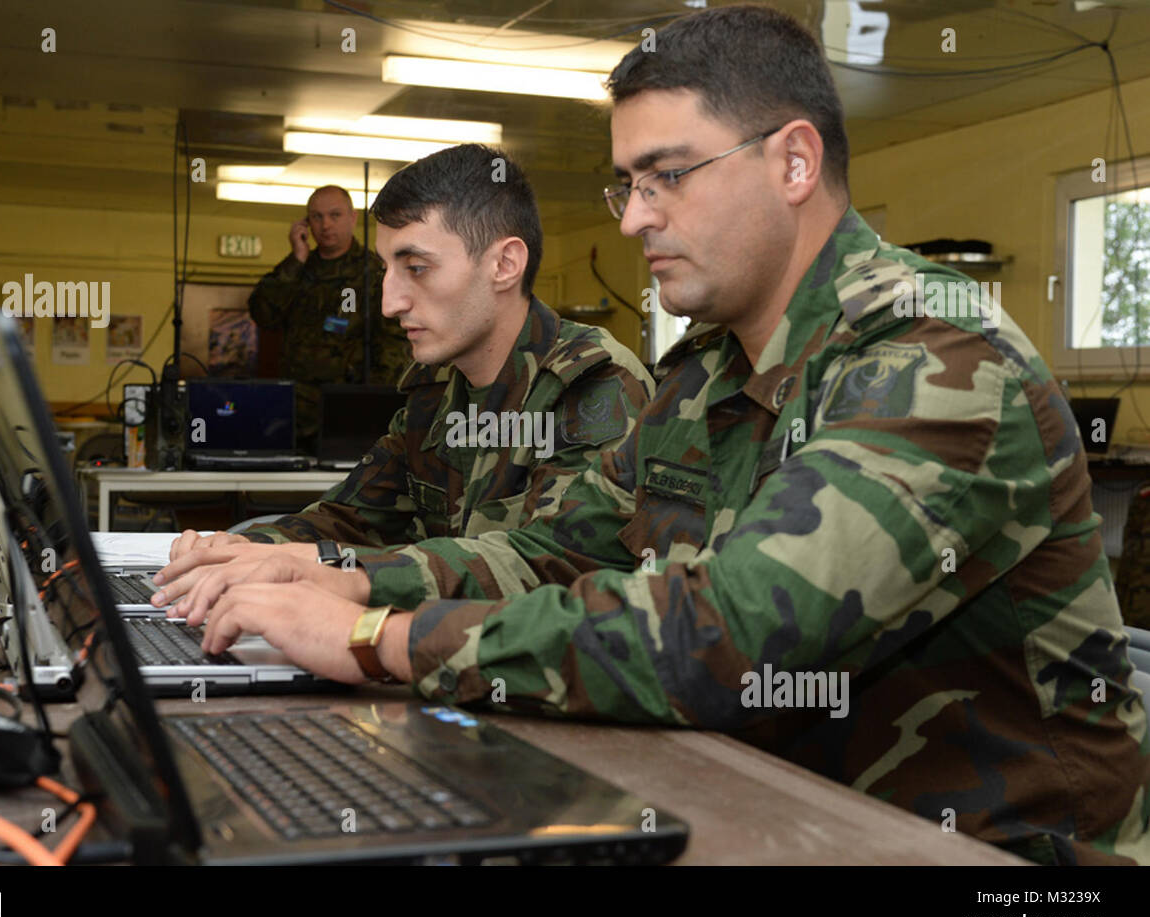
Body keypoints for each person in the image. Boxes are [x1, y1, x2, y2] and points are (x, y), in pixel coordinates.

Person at [155, 6, 1150, 864]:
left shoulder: (935, 359)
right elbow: (561, 544)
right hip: (774, 810)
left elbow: (735, 633)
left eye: (664, 177)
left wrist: (380, 639)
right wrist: (353, 579)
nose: (632, 219)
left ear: (794, 161)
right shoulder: (705, 369)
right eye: (625, 184)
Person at [153, 145, 654, 600]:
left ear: (504, 264)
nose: (390, 302)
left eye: (415, 267)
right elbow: (350, 519)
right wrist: (235, 549)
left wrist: (332, 570)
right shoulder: (435, 388)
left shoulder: (594, 383)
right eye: (388, 268)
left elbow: (554, 568)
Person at [248, 185, 407, 449]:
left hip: (348, 414)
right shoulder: (298, 270)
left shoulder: (375, 275)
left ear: (353, 217)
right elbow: (263, 314)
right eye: (316, 217)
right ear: (306, 223)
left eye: (335, 215)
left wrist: (372, 405)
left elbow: (394, 349)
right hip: (293, 413)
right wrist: (296, 259)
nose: (325, 225)